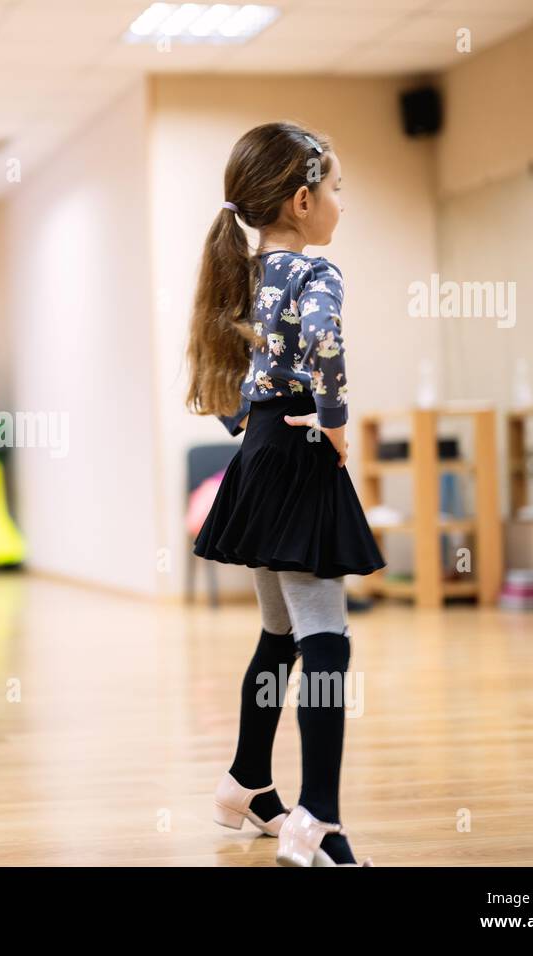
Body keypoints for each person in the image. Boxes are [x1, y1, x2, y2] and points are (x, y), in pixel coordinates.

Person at [186, 121, 385, 865]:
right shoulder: (316, 276)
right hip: (300, 456)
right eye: (335, 189)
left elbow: (242, 388)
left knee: (279, 635)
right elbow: (326, 346)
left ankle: (246, 780)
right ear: (302, 202)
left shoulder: (248, 274)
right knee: (325, 639)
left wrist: (269, 422)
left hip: (261, 453)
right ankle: (319, 817)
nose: (342, 203)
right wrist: (333, 425)